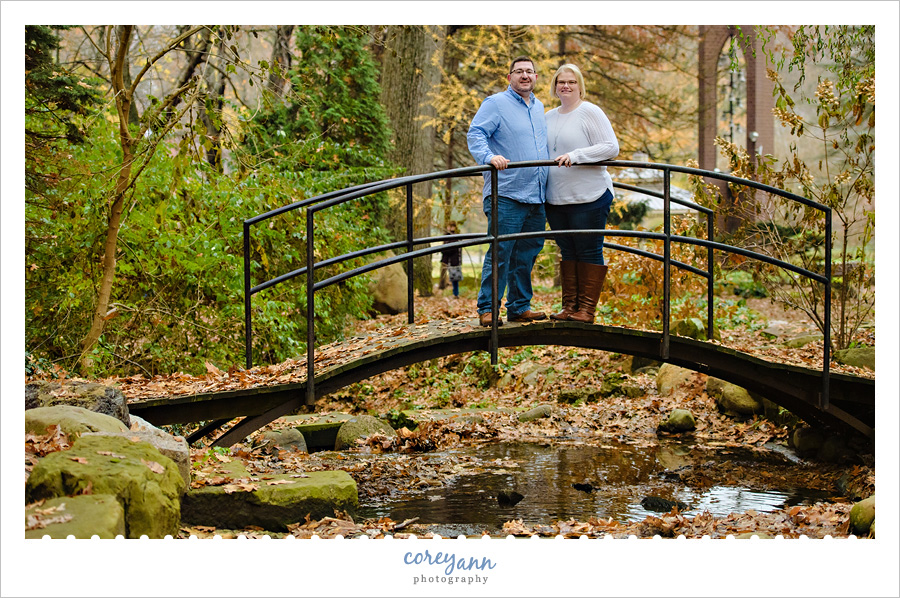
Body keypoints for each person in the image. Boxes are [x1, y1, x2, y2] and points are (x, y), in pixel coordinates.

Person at [467, 55, 550, 327]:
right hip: (507, 193)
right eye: (519, 72)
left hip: (537, 195)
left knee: (526, 254)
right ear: (509, 77)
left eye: (530, 71)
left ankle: (519, 306)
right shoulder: (496, 104)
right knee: (500, 253)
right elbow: (476, 133)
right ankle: (488, 308)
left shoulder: (539, 108)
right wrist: (489, 157)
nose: (525, 76)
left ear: (536, 77)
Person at [545, 63, 620, 324]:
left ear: (580, 86)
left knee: (588, 250)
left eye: (571, 82)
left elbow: (611, 147)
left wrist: (576, 156)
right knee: (567, 250)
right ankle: (569, 307)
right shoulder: (547, 117)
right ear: (554, 86)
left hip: (589, 196)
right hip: (556, 198)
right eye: (560, 81)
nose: (566, 86)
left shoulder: (589, 112)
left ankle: (586, 310)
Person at [439, 222, 463, 297]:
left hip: (454, 260)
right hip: (446, 260)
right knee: (445, 275)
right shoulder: (446, 236)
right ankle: (443, 290)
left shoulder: (455, 236)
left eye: (451, 226)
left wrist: (444, 250)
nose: (449, 228)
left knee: (454, 277)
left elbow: (452, 249)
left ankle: (456, 293)